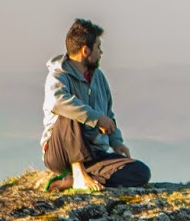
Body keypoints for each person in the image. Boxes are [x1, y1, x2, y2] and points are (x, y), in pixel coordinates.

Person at [41, 18, 151, 190]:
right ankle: (77, 171)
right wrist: (96, 118)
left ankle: (76, 178)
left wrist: (116, 142)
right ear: (86, 50)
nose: (101, 52)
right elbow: (57, 102)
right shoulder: (58, 76)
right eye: (98, 47)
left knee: (140, 172)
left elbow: (108, 113)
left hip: (93, 153)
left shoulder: (98, 77)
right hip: (60, 152)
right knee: (69, 112)